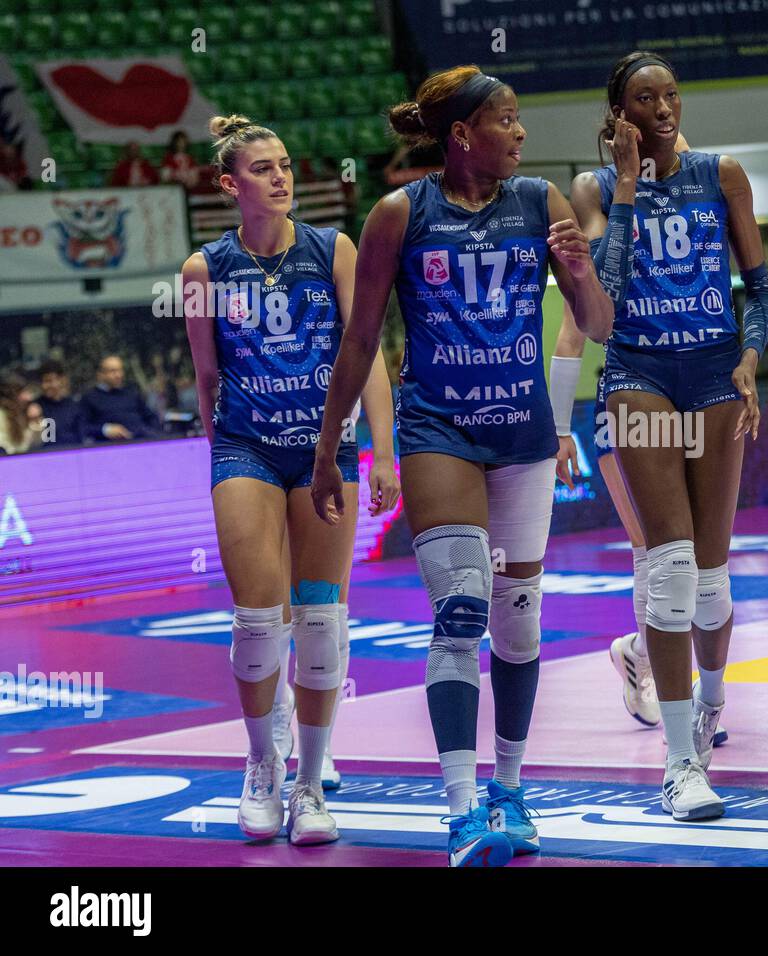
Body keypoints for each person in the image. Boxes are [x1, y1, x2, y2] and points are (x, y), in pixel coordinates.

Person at [309, 66, 613, 866]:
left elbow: (599, 322)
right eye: (506, 121)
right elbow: (360, 339)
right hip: (439, 431)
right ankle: (460, 808)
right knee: (462, 610)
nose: (519, 133)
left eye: (518, 121)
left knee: (518, 619)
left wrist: (580, 269)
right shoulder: (397, 215)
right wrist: (331, 444)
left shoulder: (541, 203)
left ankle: (510, 791)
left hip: (523, 437)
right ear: (460, 136)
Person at [182, 113, 399, 846]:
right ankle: (260, 766)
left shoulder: (332, 249)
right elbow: (207, 376)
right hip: (245, 449)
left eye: (284, 166)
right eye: (263, 168)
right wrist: (225, 455)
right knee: (255, 618)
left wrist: (384, 453)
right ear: (228, 185)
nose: (281, 178)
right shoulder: (202, 272)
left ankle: (310, 782)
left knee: (318, 619)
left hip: (323, 451)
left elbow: (364, 354)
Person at [570, 51, 768, 822]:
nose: (662, 108)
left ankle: (710, 711)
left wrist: (754, 358)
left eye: (670, 95)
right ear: (618, 111)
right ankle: (681, 763)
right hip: (638, 375)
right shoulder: (594, 188)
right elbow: (605, 298)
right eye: (644, 98)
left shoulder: (722, 176)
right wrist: (624, 187)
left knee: (713, 585)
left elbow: (760, 290)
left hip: (717, 374)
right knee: (672, 566)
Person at [80, 355, 162, 442]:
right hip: (111, 447)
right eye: (113, 371)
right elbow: (84, 427)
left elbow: (151, 417)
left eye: (120, 370)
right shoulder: (90, 398)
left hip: (142, 442)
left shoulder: (131, 393)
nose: (118, 375)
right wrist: (106, 430)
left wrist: (150, 433)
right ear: (100, 375)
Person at [33, 360, 87, 448]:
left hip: (72, 454)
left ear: (63, 380)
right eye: (47, 381)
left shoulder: (74, 405)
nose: (53, 385)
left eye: (56, 379)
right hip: (45, 456)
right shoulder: (35, 408)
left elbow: (81, 435)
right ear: (40, 383)